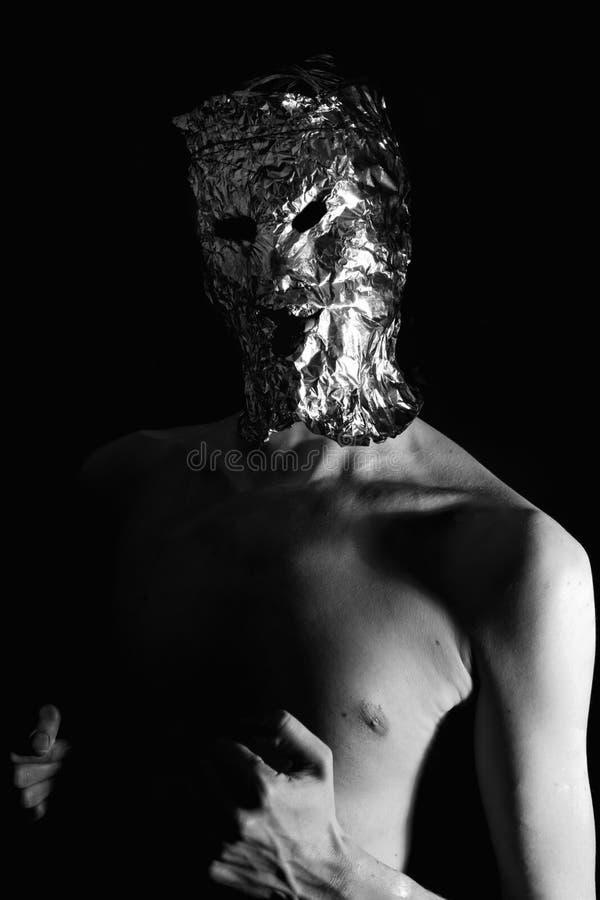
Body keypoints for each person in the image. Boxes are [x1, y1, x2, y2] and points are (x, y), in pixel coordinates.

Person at [12, 58, 596, 898]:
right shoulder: (120, 488)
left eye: (317, 219)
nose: (280, 278)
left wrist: (334, 880)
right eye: (240, 232)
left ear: (387, 230)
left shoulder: (515, 562)